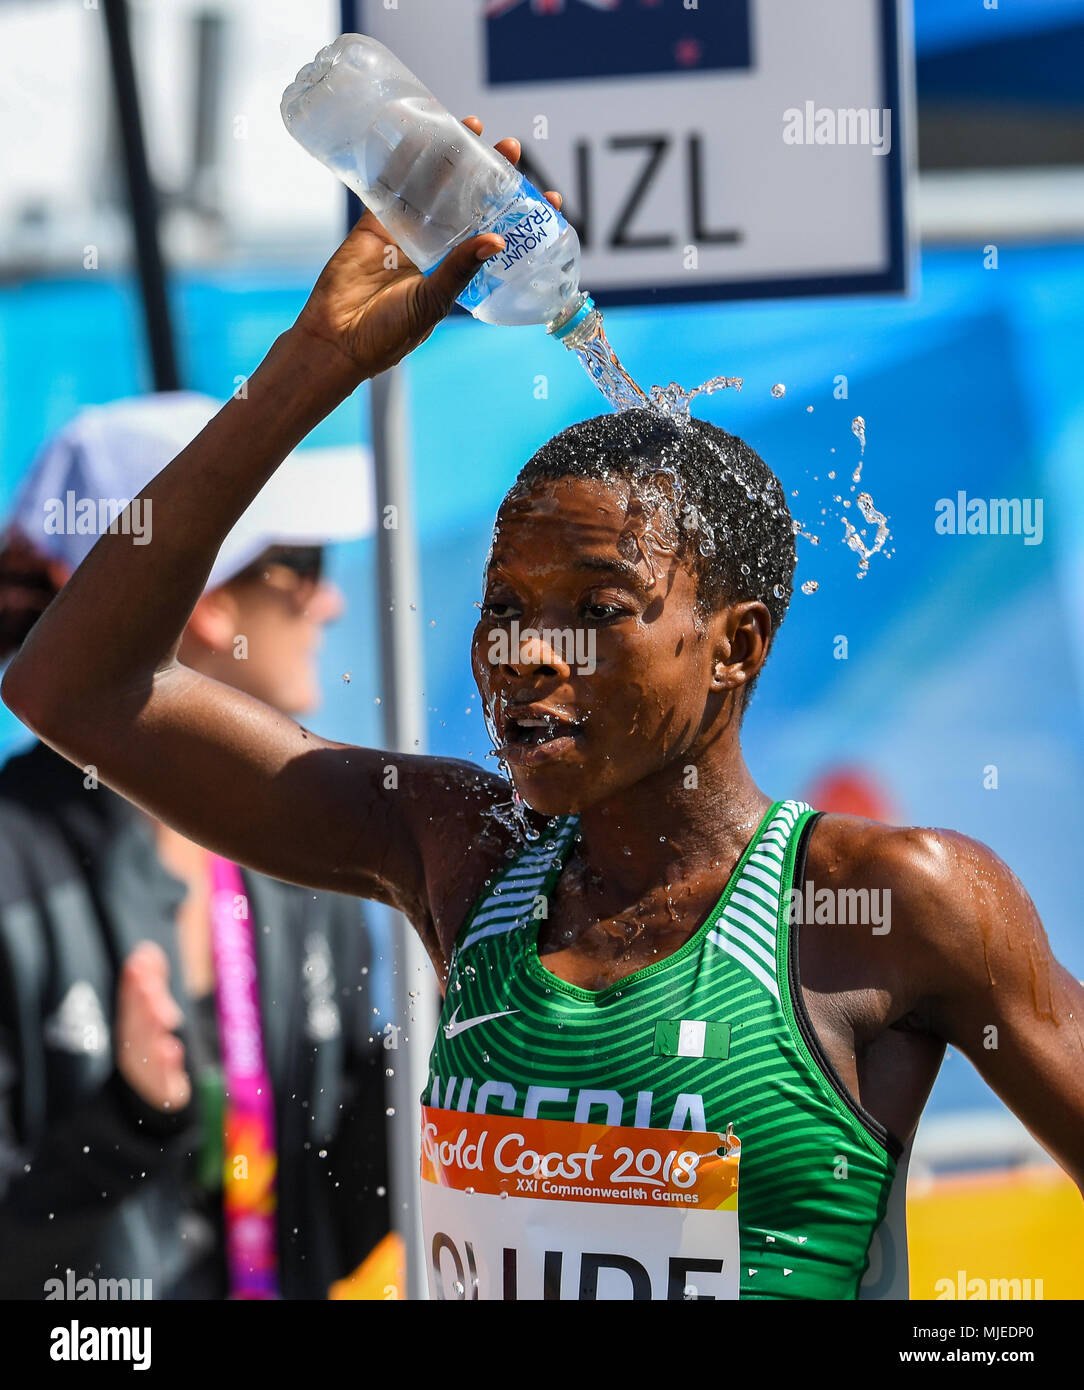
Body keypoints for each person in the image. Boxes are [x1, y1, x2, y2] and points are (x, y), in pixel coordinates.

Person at [3, 118, 1081, 1301]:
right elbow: (73, 692)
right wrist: (314, 362)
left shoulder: (888, 904)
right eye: (503, 605)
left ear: (737, 647)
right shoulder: (460, 853)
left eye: (597, 607)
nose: (526, 655)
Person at [0, 394, 391, 1299]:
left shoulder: (308, 852)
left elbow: (347, 1199)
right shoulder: (13, 866)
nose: (329, 600)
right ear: (204, 601)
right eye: (301, 564)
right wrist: (128, 1121)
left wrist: (454, 1043)